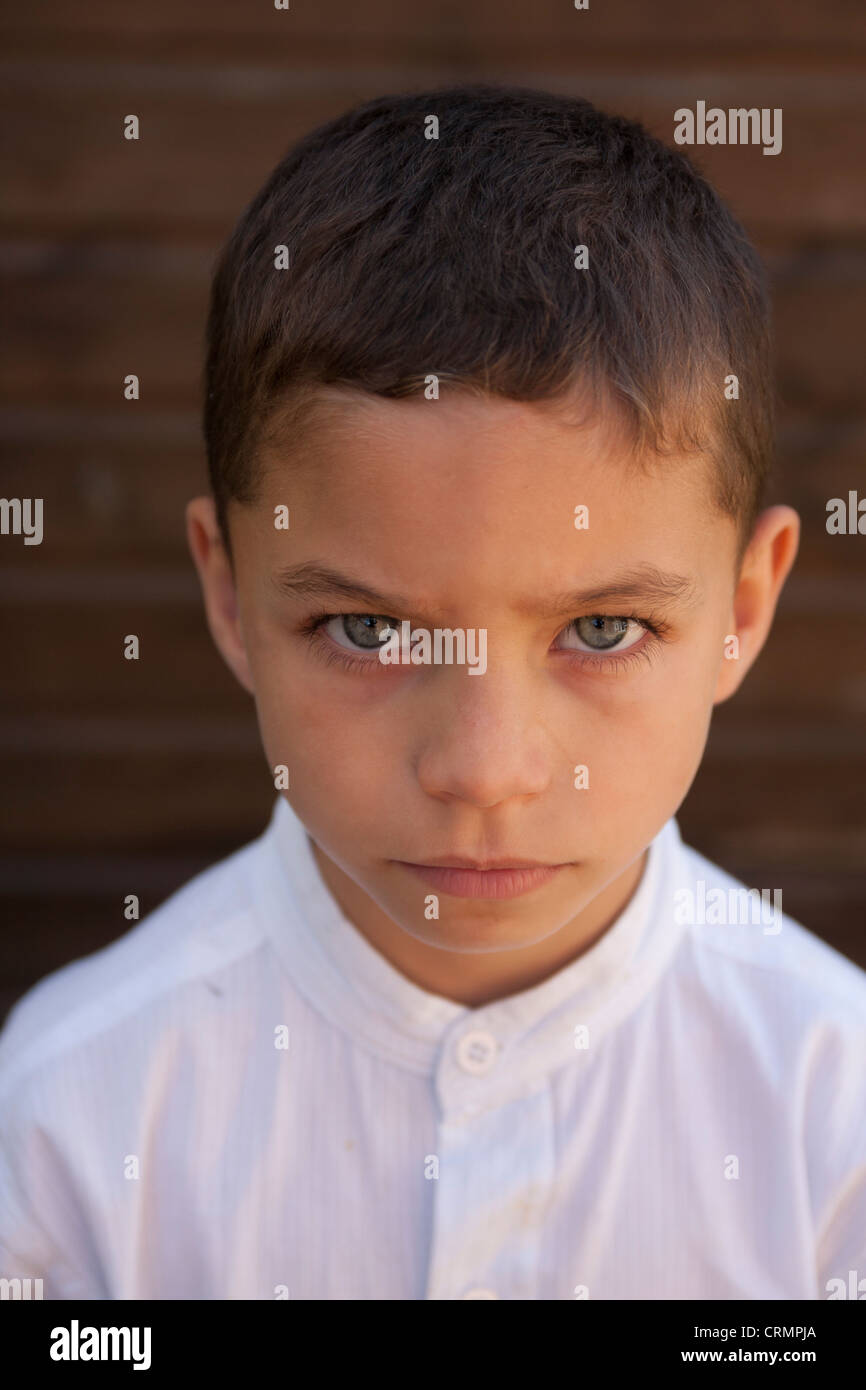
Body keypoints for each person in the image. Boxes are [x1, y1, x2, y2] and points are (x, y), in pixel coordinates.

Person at [1, 83, 864, 1301]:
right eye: (366, 627)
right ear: (229, 593)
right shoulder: (69, 1127)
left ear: (741, 606)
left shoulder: (834, 1131)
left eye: (602, 628)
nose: (483, 766)